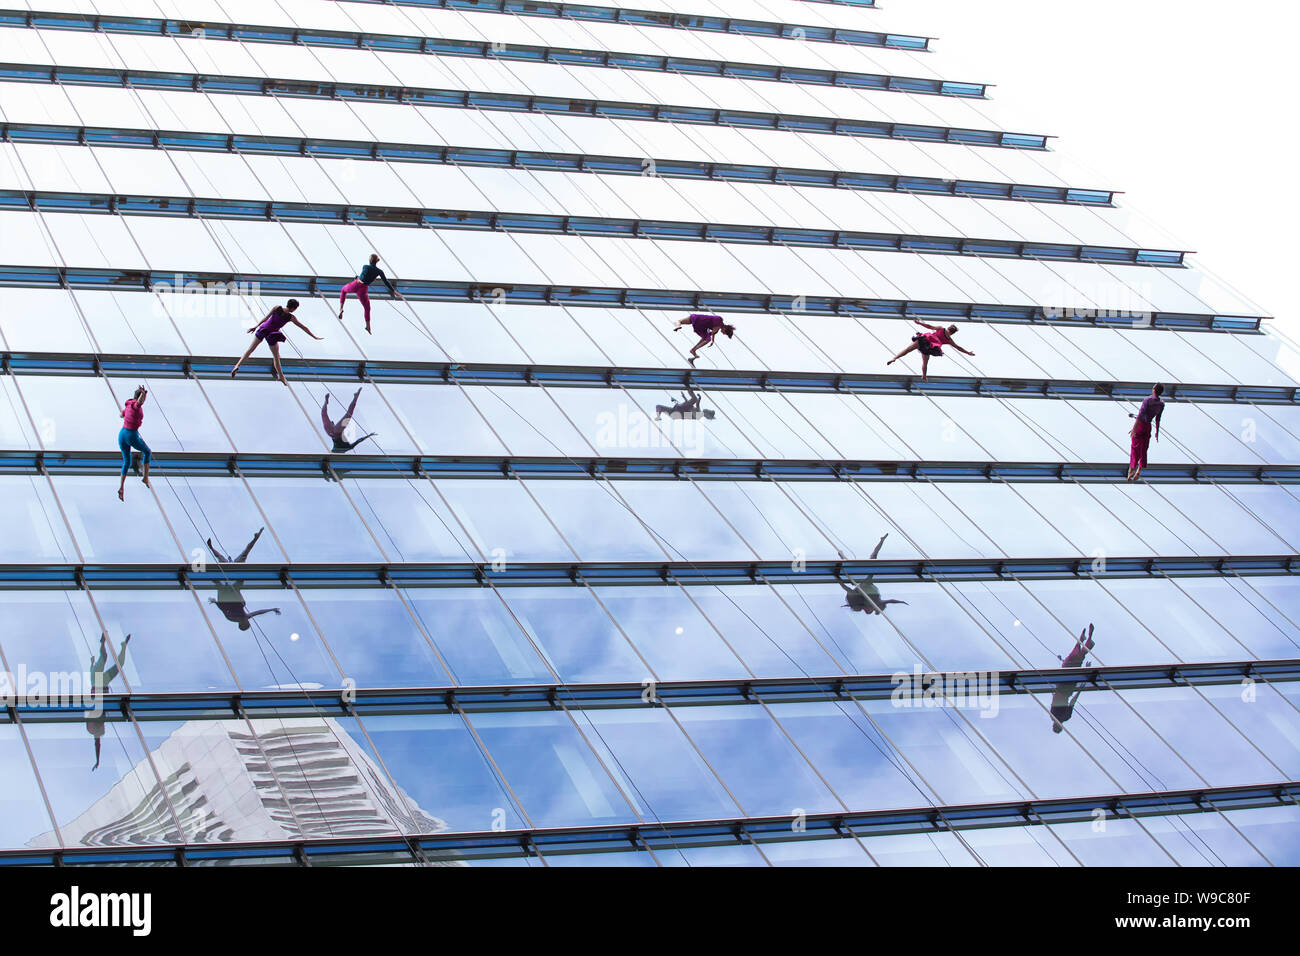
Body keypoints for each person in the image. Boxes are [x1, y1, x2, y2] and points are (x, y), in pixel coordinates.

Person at [231, 299, 322, 385]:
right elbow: (303, 327)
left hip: (264, 329)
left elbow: (266, 318)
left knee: (250, 350)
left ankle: (237, 365)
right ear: (294, 308)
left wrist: (255, 326)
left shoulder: (277, 308)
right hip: (272, 334)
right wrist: (314, 336)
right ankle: (281, 377)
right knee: (276, 357)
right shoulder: (291, 317)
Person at [207, 528, 282, 630]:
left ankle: (211, 548)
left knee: (224, 559)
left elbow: (223, 609)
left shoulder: (234, 618)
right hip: (232, 590)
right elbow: (258, 612)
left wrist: (215, 602)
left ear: (242, 624)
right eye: (247, 622)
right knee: (243, 554)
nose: (246, 620)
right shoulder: (243, 617)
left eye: (246, 622)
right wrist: (271, 609)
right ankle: (256, 538)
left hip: (227, 596)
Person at [87, 633, 130, 770]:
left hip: (96, 680)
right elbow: (98, 743)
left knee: (104, 658)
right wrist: (97, 760)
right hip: (104, 682)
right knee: (119, 664)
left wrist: (97, 759)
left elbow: (97, 743)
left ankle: (102, 643)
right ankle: (123, 646)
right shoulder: (101, 710)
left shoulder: (96, 711)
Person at [840, 533, 909, 614]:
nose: (867, 609)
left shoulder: (862, 604)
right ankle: (881, 540)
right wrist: (901, 602)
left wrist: (846, 605)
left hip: (865, 589)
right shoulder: (878, 604)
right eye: (868, 610)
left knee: (851, 581)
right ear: (872, 609)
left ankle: (842, 559)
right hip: (869, 588)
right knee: (873, 559)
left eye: (866, 610)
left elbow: (851, 596)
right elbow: (891, 600)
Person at [886, 320, 976, 381]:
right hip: (930, 348)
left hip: (925, 340)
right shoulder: (949, 340)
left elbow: (929, 327)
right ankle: (924, 376)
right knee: (925, 362)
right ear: (953, 333)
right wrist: (968, 353)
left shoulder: (941, 329)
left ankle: (895, 358)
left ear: (949, 328)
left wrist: (920, 323)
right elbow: (958, 347)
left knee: (907, 350)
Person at [338, 253, 404, 333]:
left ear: (370, 260)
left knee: (343, 290)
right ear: (376, 261)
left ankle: (341, 308)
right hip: (363, 289)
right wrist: (394, 291)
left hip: (356, 284)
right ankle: (368, 326)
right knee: (367, 308)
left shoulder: (365, 266)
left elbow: (363, 276)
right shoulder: (379, 271)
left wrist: (357, 278)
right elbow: (386, 282)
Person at [1049, 623, 1095, 733]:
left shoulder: (1065, 717)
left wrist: (1079, 689)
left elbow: (1072, 701)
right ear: (1057, 726)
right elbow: (1061, 700)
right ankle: (1082, 640)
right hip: (1063, 687)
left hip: (1067, 689)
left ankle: (1085, 640)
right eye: (1055, 726)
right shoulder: (1057, 717)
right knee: (1070, 661)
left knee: (1077, 659)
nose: (1054, 724)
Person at [116, 386, 151, 501]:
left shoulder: (128, 405)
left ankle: (121, 487)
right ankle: (145, 478)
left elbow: (122, 415)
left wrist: (128, 417)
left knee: (127, 461)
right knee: (147, 452)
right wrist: (144, 393)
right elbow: (139, 402)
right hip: (131, 435)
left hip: (122, 434)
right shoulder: (135, 405)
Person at [1127, 384, 1165, 481]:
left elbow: (1140, 416)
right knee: (1144, 448)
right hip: (1148, 426)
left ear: (1153, 390)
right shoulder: (1161, 404)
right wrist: (1157, 432)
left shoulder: (1147, 400)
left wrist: (1134, 428)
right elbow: (1158, 419)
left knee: (1135, 446)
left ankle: (1131, 469)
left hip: (1141, 425)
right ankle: (1139, 470)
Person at [322, 388, 379, 452]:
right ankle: (325, 402)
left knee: (349, 414)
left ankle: (355, 397)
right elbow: (359, 441)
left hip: (337, 432)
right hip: (331, 433)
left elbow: (359, 441)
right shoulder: (336, 450)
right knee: (323, 414)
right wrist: (369, 435)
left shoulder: (348, 448)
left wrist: (369, 435)